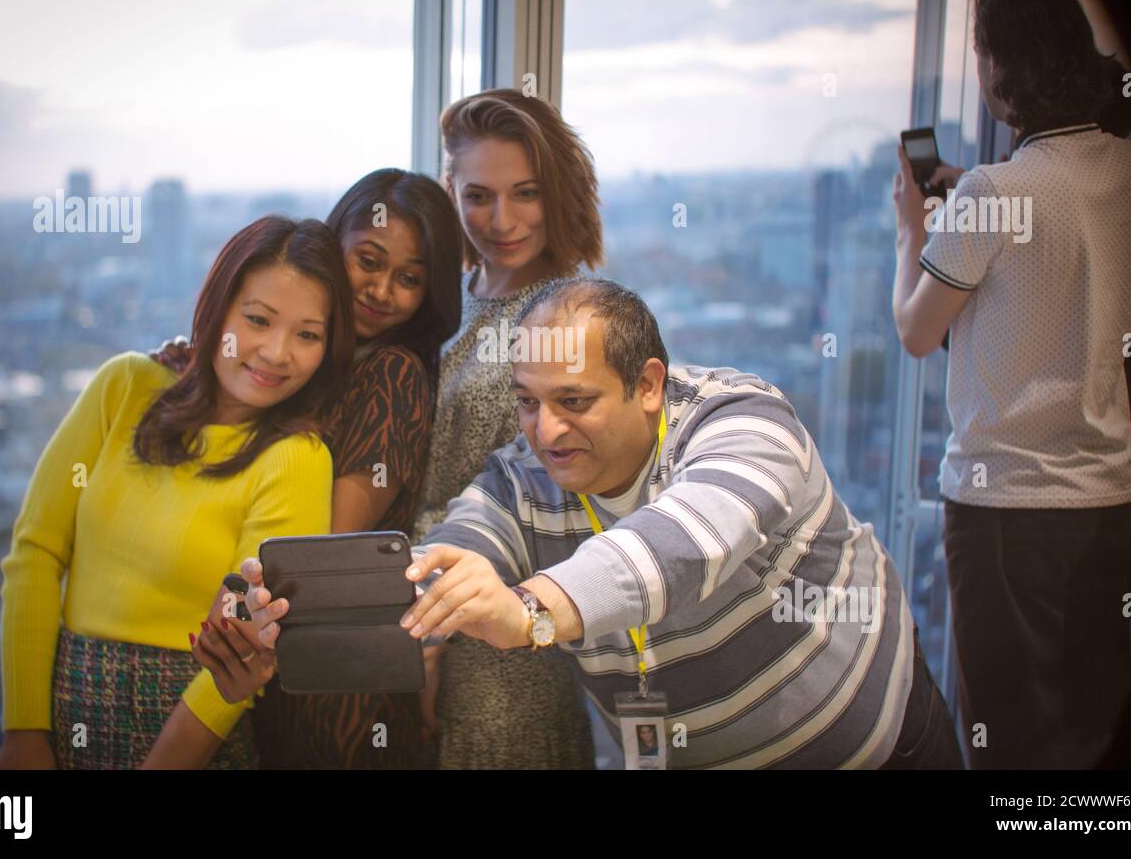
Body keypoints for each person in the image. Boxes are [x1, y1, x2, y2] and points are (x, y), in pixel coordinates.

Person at [242, 278, 962, 769]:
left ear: (648, 384)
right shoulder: (522, 474)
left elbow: (680, 545)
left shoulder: (742, 419)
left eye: (574, 401)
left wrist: (529, 610)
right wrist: (276, 621)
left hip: (880, 747)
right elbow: (445, 555)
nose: (544, 431)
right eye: (526, 401)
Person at [889, 0, 1131, 767]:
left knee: (1013, 742)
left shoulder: (988, 193)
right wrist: (969, 210)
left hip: (1007, 503)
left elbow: (916, 330)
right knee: (1089, 720)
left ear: (1000, 70)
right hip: (1114, 493)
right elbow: (1062, 245)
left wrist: (914, 231)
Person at [0, 215, 356, 769]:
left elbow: (246, 642)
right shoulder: (124, 386)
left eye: (307, 334)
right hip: (57, 704)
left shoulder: (299, 458)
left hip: (189, 732)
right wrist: (22, 732)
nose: (277, 352)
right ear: (216, 309)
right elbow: (35, 553)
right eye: (258, 319)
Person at [155, 169, 463, 768]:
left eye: (408, 279)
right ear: (333, 245)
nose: (380, 289)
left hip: (342, 693)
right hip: (283, 663)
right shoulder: (320, 363)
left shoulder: (392, 373)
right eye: (367, 261)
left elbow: (322, 543)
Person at [412, 89, 605, 769]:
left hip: (501, 648)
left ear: (559, 190)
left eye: (525, 193)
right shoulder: (460, 299)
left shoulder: (565, 322)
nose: (501, 220)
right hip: (430, 612)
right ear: (449, 191)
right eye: (477, 195)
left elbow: (537, 506)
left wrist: (432, 644)